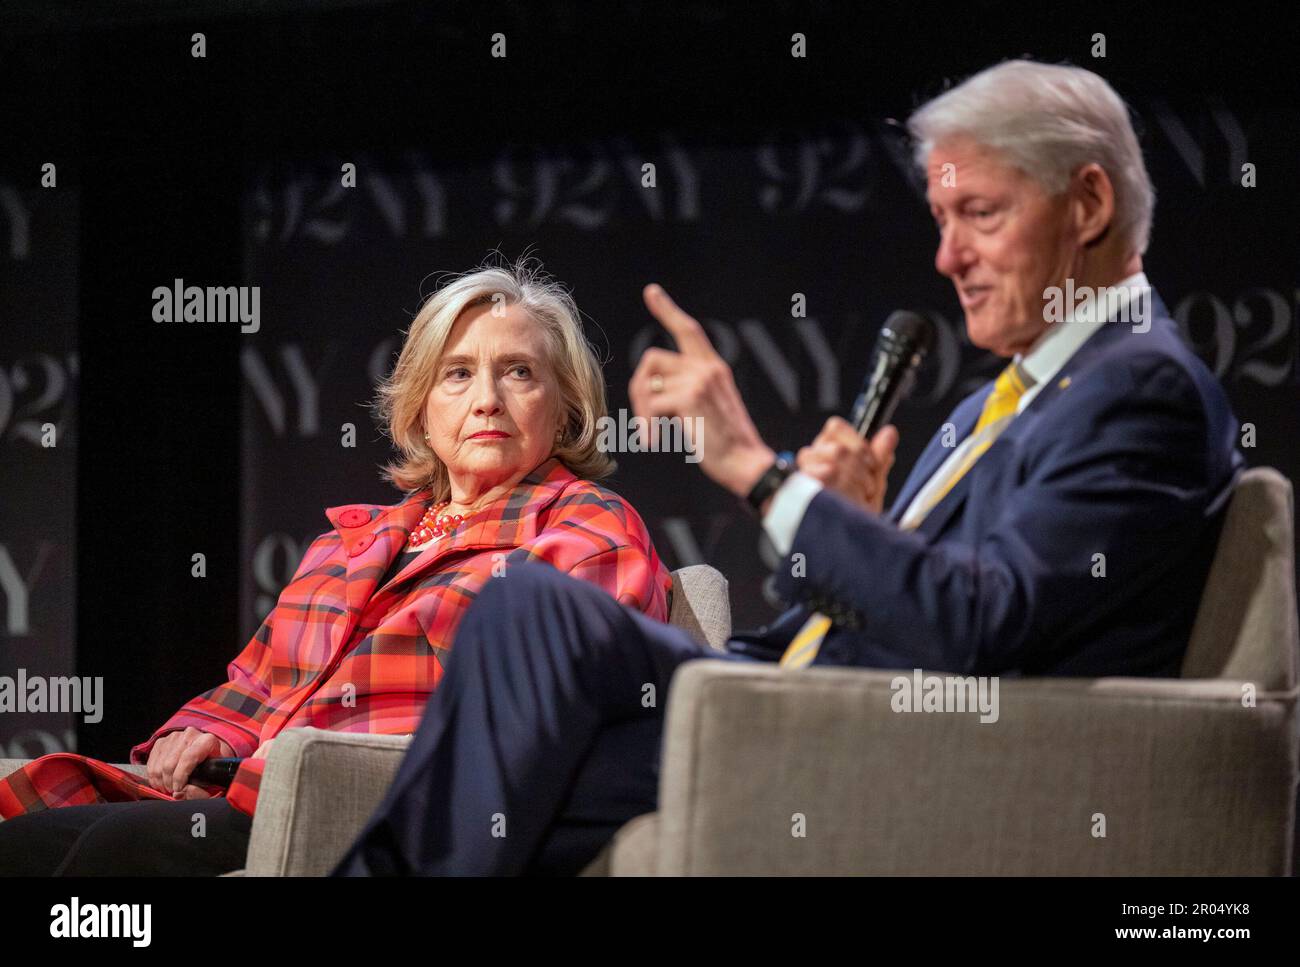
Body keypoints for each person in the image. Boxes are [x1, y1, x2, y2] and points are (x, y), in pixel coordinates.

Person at [332, 59, 1244, 876]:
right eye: (940, 219)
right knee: (528, 614)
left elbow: (985, 626)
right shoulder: (1005, 398)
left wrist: (766, 477)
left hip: (869, 742)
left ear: (1088, 205)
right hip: (791, 693)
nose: (947, 256)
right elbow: (942, 600)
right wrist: (856, 530)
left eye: (981, 214)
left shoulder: (1138, 388)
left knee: (515, 735)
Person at [0, 262, 672, 875]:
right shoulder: (356, 540)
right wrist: (215, 727)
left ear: (565, 412)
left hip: (373, 800)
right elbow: (259, 683)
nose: (488, 398)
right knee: (24, 841)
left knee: (115, 856)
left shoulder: (587, 523)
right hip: (253, 783)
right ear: (421, 409)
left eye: (519, 371)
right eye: (458, 372)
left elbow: (548, 711)